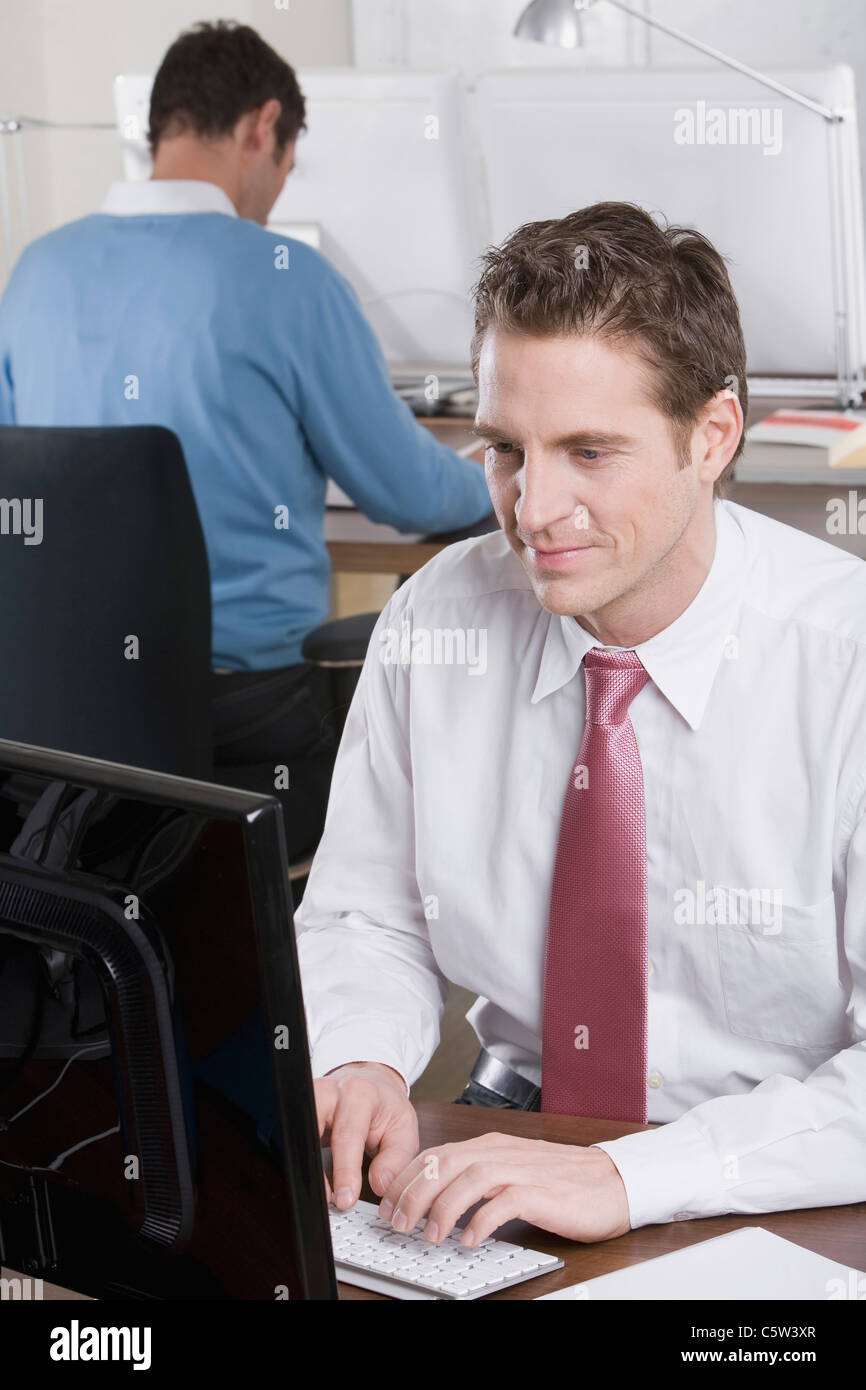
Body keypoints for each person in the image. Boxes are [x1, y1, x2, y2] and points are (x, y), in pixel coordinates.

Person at [294, 201, 866, 1248]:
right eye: (506, 450)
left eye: (589, 453)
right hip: (509, 1132)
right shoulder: (438, 619)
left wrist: (628, 1175)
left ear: (712, 436)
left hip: (782, 1165)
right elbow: (366, 913)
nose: (532, 508)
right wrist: (361, 1056)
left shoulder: (842, 667)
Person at [0, 21, 491, 857]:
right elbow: (406, 494)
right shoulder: (285, 279)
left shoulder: (35, 271)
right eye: (286, 166)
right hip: (243, 711)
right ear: (262, 128)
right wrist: (497, 473)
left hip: (56, 715)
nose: (273, 194)